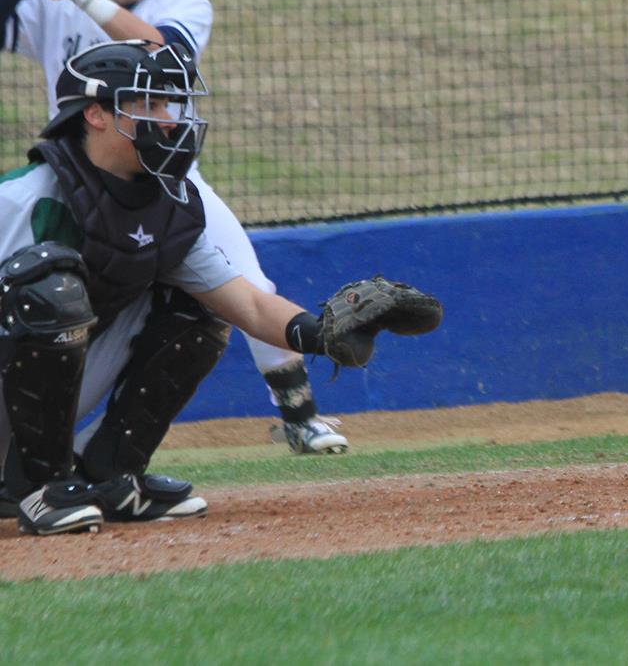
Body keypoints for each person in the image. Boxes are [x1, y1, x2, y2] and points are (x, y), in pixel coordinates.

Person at [1, 0, 350, 456]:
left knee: (244, 286)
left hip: (165, 177)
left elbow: (167, 55)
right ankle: (44, 461)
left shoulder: (184, 1)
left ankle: (299, 415)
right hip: (75, 179)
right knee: (53, 302)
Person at [0, 40, 380, 534]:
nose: (171, 119)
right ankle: (42, 488)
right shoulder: (22, 197)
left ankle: (108, 475)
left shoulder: (166, 206)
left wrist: (326, 333)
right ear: (96, 114)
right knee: (46, 288)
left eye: (171, 103)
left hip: (22, 409)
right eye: (150, 104)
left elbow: (247, 304)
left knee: (198, 306)